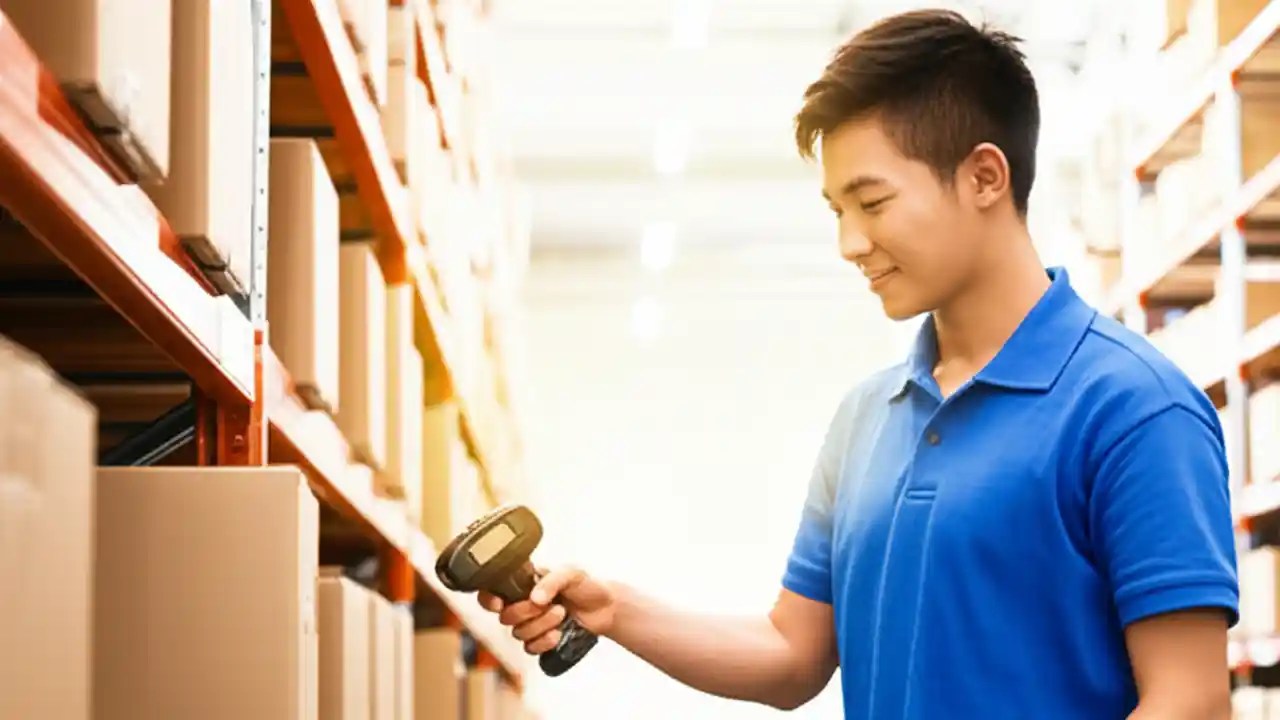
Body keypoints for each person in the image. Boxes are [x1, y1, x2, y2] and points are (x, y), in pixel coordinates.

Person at [479, 9, 1238, 718]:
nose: (849, 243)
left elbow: (1190, 701)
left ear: (984, 177)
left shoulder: (1135, 410)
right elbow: (791, 653)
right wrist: (616, 611)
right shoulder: (866, 419)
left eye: (871, 204)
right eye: (836, 211)